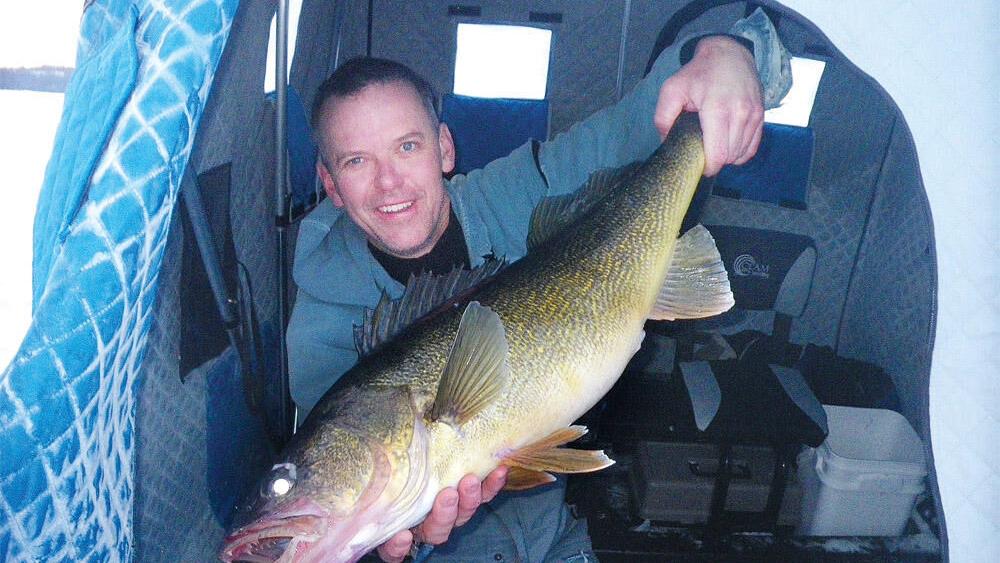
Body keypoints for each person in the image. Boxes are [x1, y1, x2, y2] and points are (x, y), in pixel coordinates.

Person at [288, 8, 789, 562]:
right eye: (357, 161)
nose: (389, 183)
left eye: (408, 147)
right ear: (331, 184)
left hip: (555, 540)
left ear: (445, 149)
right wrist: (408, 547)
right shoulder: (321, 328)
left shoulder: (516, 194)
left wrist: (724, 52)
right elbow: (366, 512)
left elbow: (634, 126)